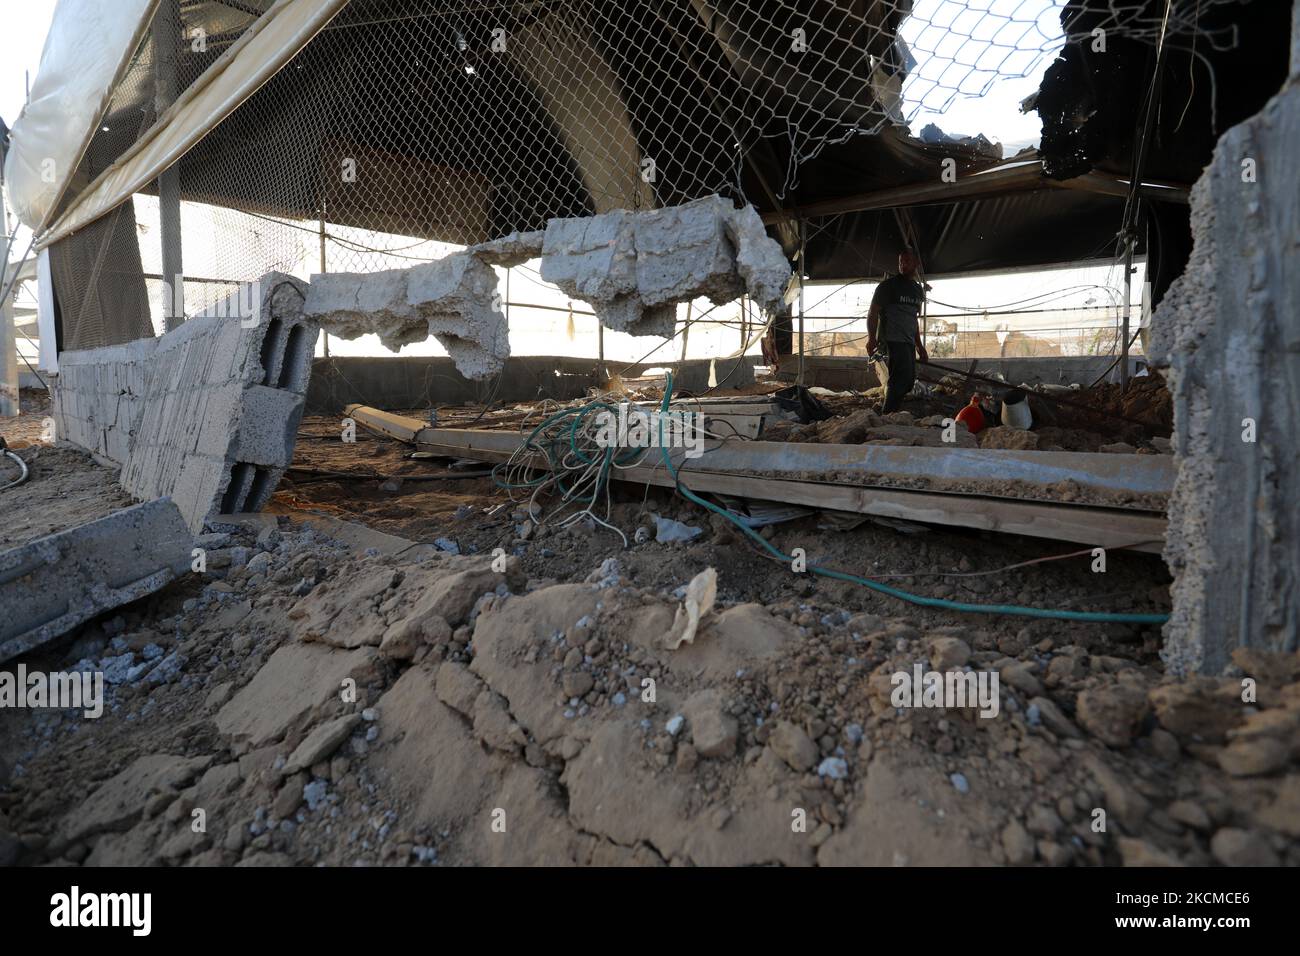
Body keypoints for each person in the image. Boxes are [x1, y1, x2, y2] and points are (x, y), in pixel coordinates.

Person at [866, 249, 928, 413]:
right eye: (901, 262)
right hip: (892, 339)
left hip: (907, 341)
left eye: (907, 261)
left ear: (916, 263)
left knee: (908, 382)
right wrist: (871, 338)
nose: (903, 265)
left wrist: (919, 346)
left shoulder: (917, 290)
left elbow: (913, 320)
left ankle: (890, 411)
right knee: (900, 379)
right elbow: (873, 313)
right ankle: (887, 415)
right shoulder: (888, 286)